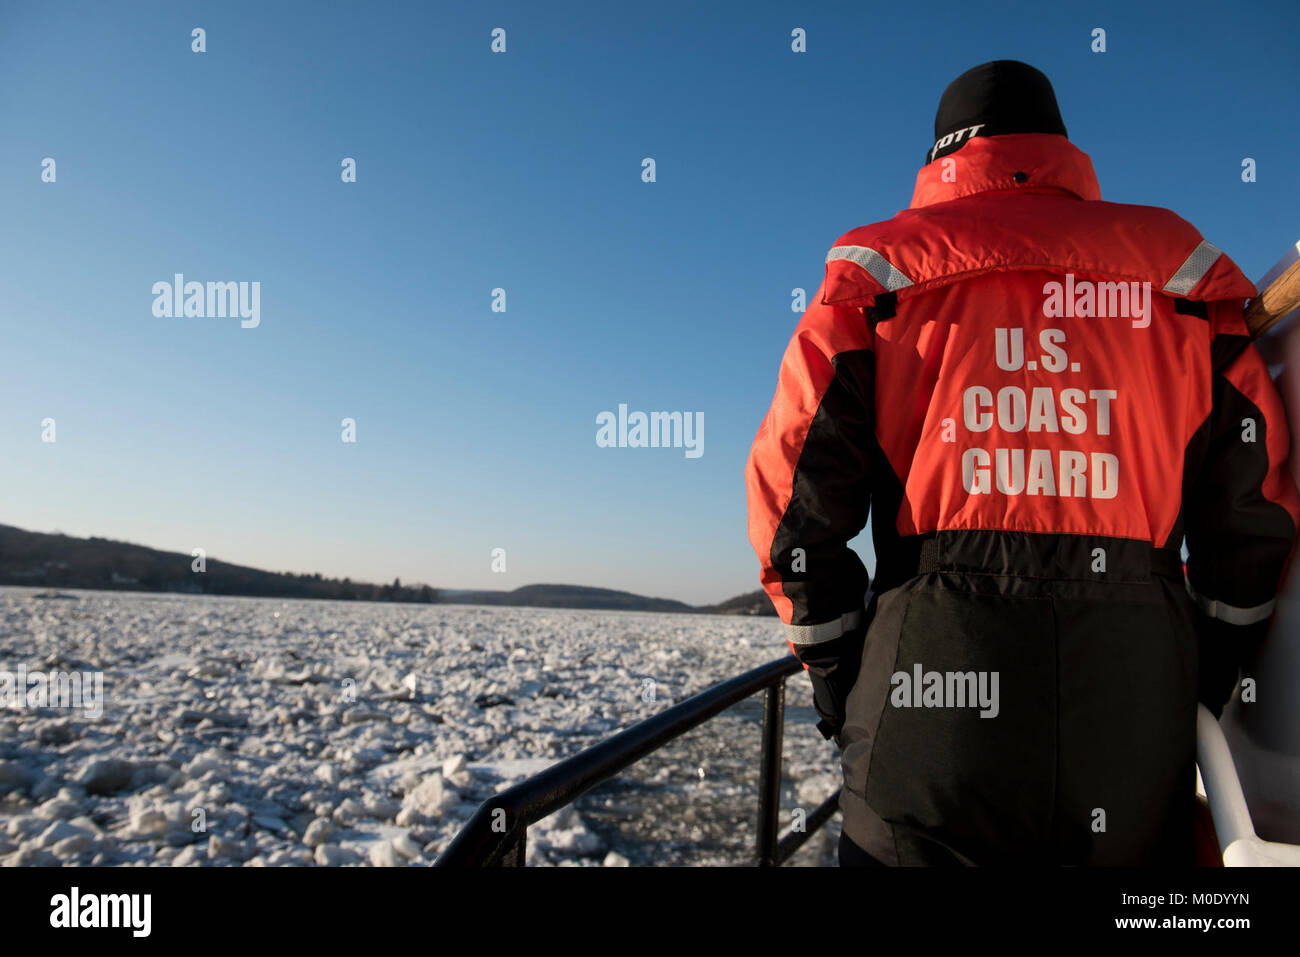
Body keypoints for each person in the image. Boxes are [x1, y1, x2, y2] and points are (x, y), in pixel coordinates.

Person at [745, 60, 1300, 866]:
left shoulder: (873, 283)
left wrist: (843, 677)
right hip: (1133, 718)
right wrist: (1194, 676)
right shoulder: (1185, 283)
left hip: (927, 712)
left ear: (940, 156)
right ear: (1059, 148)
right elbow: (1253, 522)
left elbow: (792, 516)